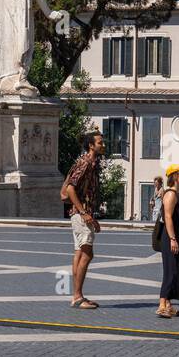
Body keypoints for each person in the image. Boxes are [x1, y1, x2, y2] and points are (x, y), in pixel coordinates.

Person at [63, 130, 105, 308]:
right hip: (81, 215)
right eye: (100, 142)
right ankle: (77, 296)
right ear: (91, 145)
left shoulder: (93, 163)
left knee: (79, 252)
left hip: (81, 214)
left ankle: (77, 296)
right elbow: (71, 188)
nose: (103, 145)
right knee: (87, 254)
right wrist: (84, 212)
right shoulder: (87, 162)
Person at [157, 164, 179, 319]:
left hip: (177, 235)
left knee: (175, 270)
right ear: (175, 175)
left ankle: (168, 305)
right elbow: (168, 217)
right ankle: (161, 305)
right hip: (171, 237)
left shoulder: (177, 194)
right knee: (170, 271)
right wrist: (172, 239)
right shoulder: (170, 194)